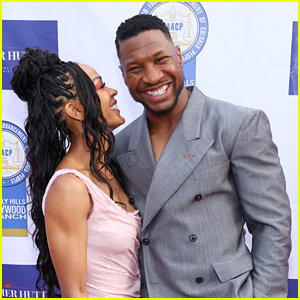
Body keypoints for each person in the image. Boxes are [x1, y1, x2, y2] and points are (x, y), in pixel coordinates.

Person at [113, 14, 292, 298]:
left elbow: (272, 225)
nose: (152, 76)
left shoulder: (237, 124)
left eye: (161, 60)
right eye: (135, 68)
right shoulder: (120, 146)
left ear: (179, 56)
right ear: (123, 75)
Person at [10, 47, 141, 298]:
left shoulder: (111, 169)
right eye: (100, 87)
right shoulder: (70, 187)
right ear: (76, 111)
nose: (113, 92)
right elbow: (75, 293)